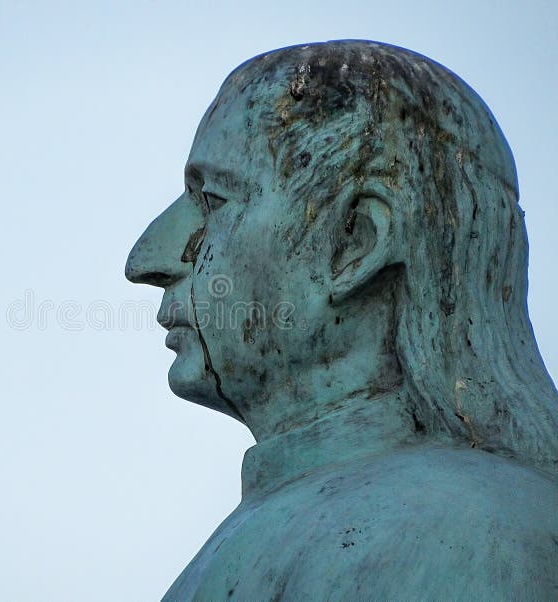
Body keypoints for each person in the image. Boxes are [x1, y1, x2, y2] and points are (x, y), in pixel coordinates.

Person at [125, 40, 558, 599]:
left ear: (354, 244)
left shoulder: (460, 534)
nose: (146, 260)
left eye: (211, 199)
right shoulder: (281, 524)